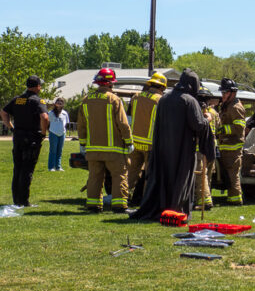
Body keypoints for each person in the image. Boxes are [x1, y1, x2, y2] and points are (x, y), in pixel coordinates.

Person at [131, 69, 215, 220]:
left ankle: (161, 207)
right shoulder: (189, 100)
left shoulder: (164, 99)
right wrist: (208, 119)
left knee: (163, 179)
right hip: (182, 151)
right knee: (181, 179)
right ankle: (177, 209)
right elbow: (197, 125)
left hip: (162, 149)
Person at [77, 69, 133, 213]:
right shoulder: (114, 99)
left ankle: (93, 206)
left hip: (93, 150)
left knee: (95, 177)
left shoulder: (86, 100)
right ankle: (119, 206)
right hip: (114, 150)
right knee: (119, 176)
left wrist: (83, 144)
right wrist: (129, 142)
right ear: (110, 83)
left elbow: (81, 125)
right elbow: (123, 124)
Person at [1, 75, 49, 207]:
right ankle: (23, 201)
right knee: (27, 170)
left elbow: (3, 112)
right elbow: (44, 117)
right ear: (37, 86)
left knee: (18, 168)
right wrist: (43, 133)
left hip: (18, 137)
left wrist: (11, 128)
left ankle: (16, 199)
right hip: (32, 138)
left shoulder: (17, 99)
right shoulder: (37, 101)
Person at [126, 72, 166, 199]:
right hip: (151, 145)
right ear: (162, 87)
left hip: (135, 143)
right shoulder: (160, 100)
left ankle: (122, 198)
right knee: (150, 175)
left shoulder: (136, 97)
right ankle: (146, 201)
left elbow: (130, 117)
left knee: (130, 173)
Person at [217, 78, 246, 205]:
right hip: (226, 146)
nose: (222, 95)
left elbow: (239, 128)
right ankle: (232, 198)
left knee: (232, 175)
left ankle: (235, 200)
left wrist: (223, 129)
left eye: (225, 93)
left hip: (233, 148)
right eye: (222, 93)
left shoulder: (235, 107)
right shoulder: (227, 106)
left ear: (232, 93)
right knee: (228, 176)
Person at [195, 86, 220, 210]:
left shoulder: (199, 112)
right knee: (207, 176)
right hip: (212, 147)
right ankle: (206, 199)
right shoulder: (214, 113)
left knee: (201, 175)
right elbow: (219, 127)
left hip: (201, 148)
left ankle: (204, 201)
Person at [47, 97, 69, 172]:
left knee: (59, 151)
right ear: (55, 103)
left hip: (62, 134)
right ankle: (51, 167)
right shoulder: (51, 113)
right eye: (58, 102)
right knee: (53, 151)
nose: (59, 103)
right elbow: (47, 122)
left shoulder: (65, 113)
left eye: (61, 102)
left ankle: (58, 167)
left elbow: (66, 123)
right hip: (53, 133)